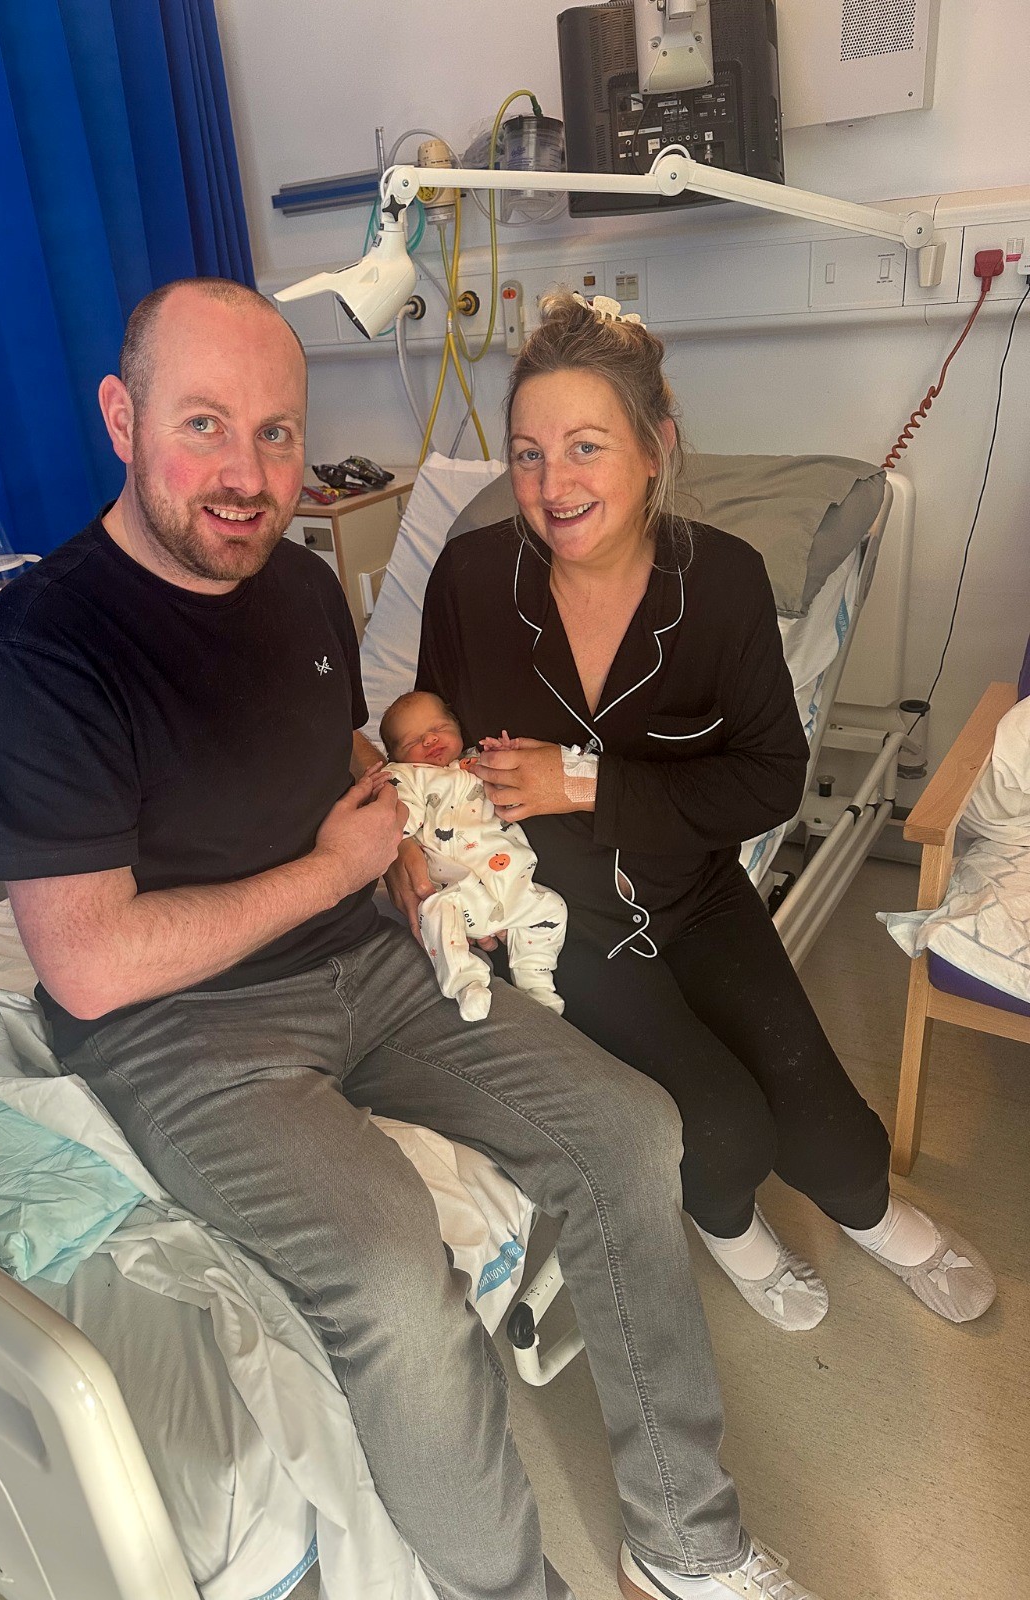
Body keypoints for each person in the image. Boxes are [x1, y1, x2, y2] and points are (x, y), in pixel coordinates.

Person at [0, 277, 833, 1600]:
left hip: (365, 963)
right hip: (184, 1032)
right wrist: (332, 870)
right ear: (122, 418)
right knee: (391, 1282)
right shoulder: (46, 648)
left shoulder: (300, 588)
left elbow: (341, 754)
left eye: (277, 433)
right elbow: (87, 963)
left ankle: (682, 1537)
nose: (247, 475)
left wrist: (405, 849)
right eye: (204, 426)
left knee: (632, 1131)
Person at [392, 292, 995, 1357]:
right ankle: (727, 1223)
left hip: (694, 883)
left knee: (815, 1108)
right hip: (558, 908)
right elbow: (428, 746)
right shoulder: (473, 578)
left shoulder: (721, 583)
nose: (551, 485)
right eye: (527, 454)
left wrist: (585, 780)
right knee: (720, 1128)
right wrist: (417, 853)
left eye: (586, 446)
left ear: (655, 446)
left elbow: (769, 780)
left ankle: (870, 1211)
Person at [380, 689, 567, 1019]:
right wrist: (391, 800)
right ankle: (467, 983)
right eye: (412, 741)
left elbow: (517, 785)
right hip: (456, 892)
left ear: (457, 726)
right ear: (396, 757)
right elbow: (399, 815)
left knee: (551, 908)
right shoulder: (410, 776)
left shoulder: (478, 762)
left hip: (511, 885)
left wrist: (506, 757)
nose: (430, 740)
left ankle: (536, 982)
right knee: (436, 915)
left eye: (438, 727)